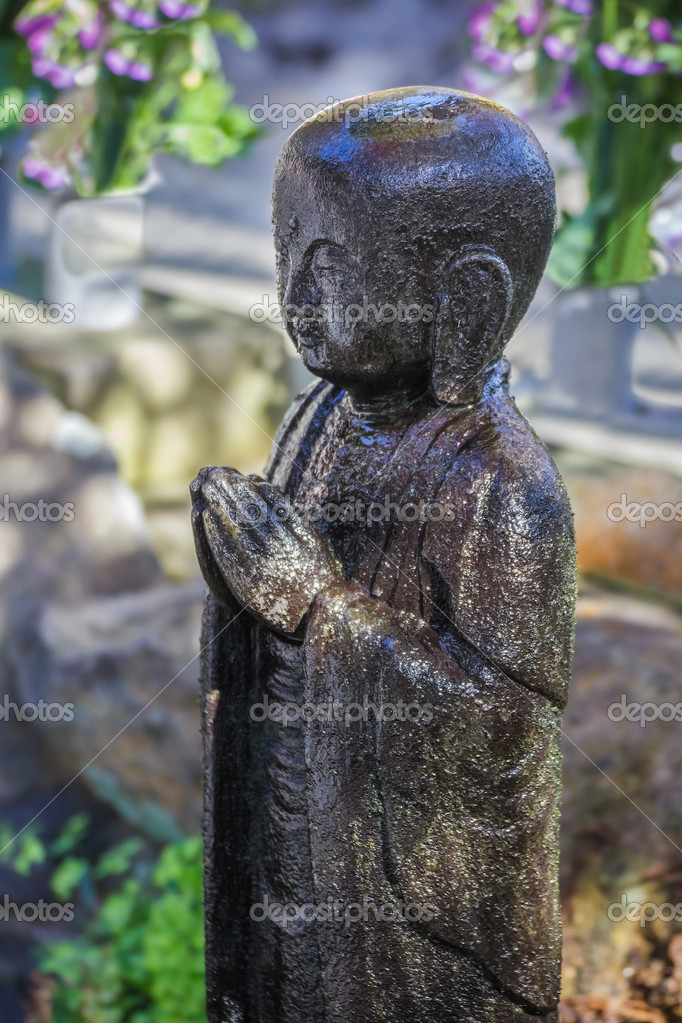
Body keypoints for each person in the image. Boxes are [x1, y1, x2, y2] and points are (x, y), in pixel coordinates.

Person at [191, 86, 576, 1023]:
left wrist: (320, 609)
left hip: (393, 913)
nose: (298, 298)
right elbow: (270, 613)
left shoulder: (501, 485)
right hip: (295, 822)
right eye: (290, 258)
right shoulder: (315, 416)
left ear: (468, 299)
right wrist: (238, 564)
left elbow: (498, 733)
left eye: (332, 268)